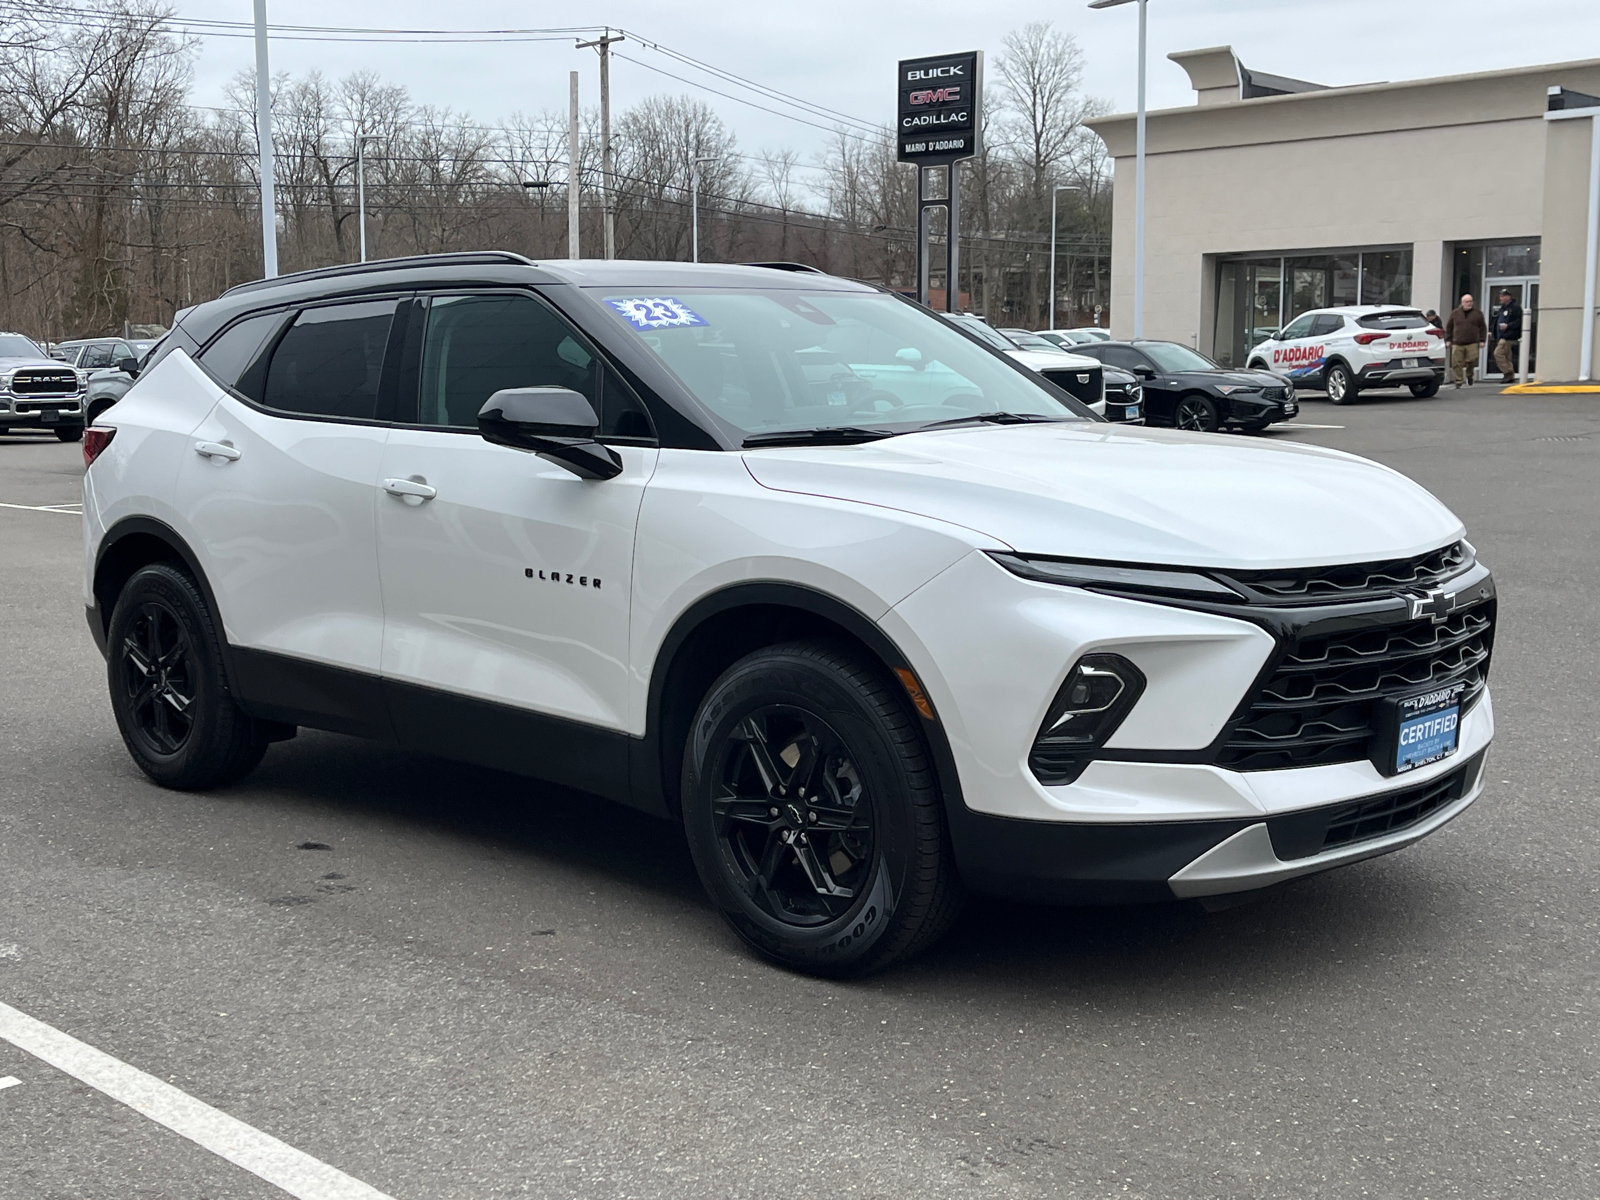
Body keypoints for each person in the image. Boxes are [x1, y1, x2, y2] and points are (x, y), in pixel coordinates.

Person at [1444, 294, 1487, 388]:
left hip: (1472, 342)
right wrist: (1448, 339)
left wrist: (1482, 340)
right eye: (1467, 302)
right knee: (1456, 363)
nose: (1469, 303)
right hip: (1457, 342)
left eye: (1471, 301)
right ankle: (1459, 381)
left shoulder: (1478, 313)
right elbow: (1449, 327)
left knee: (1471, 360)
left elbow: (1483, 327)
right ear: (1462, 303)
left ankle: (1469, 375)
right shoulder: (1455, 313)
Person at [1491, 288, 1523, 383]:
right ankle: (1510, 375)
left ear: (1508, 297)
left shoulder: (1515, 308)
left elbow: (1519, 322)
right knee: (1507, 356)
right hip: (1501, 336)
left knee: (1498, 353)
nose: (1500, 298)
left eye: (1503, 296)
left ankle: (1507, 372)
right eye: (1500, 296)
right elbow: (1496, 321)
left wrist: (1508, 326)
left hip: (1509, 336)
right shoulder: (1503, 308)